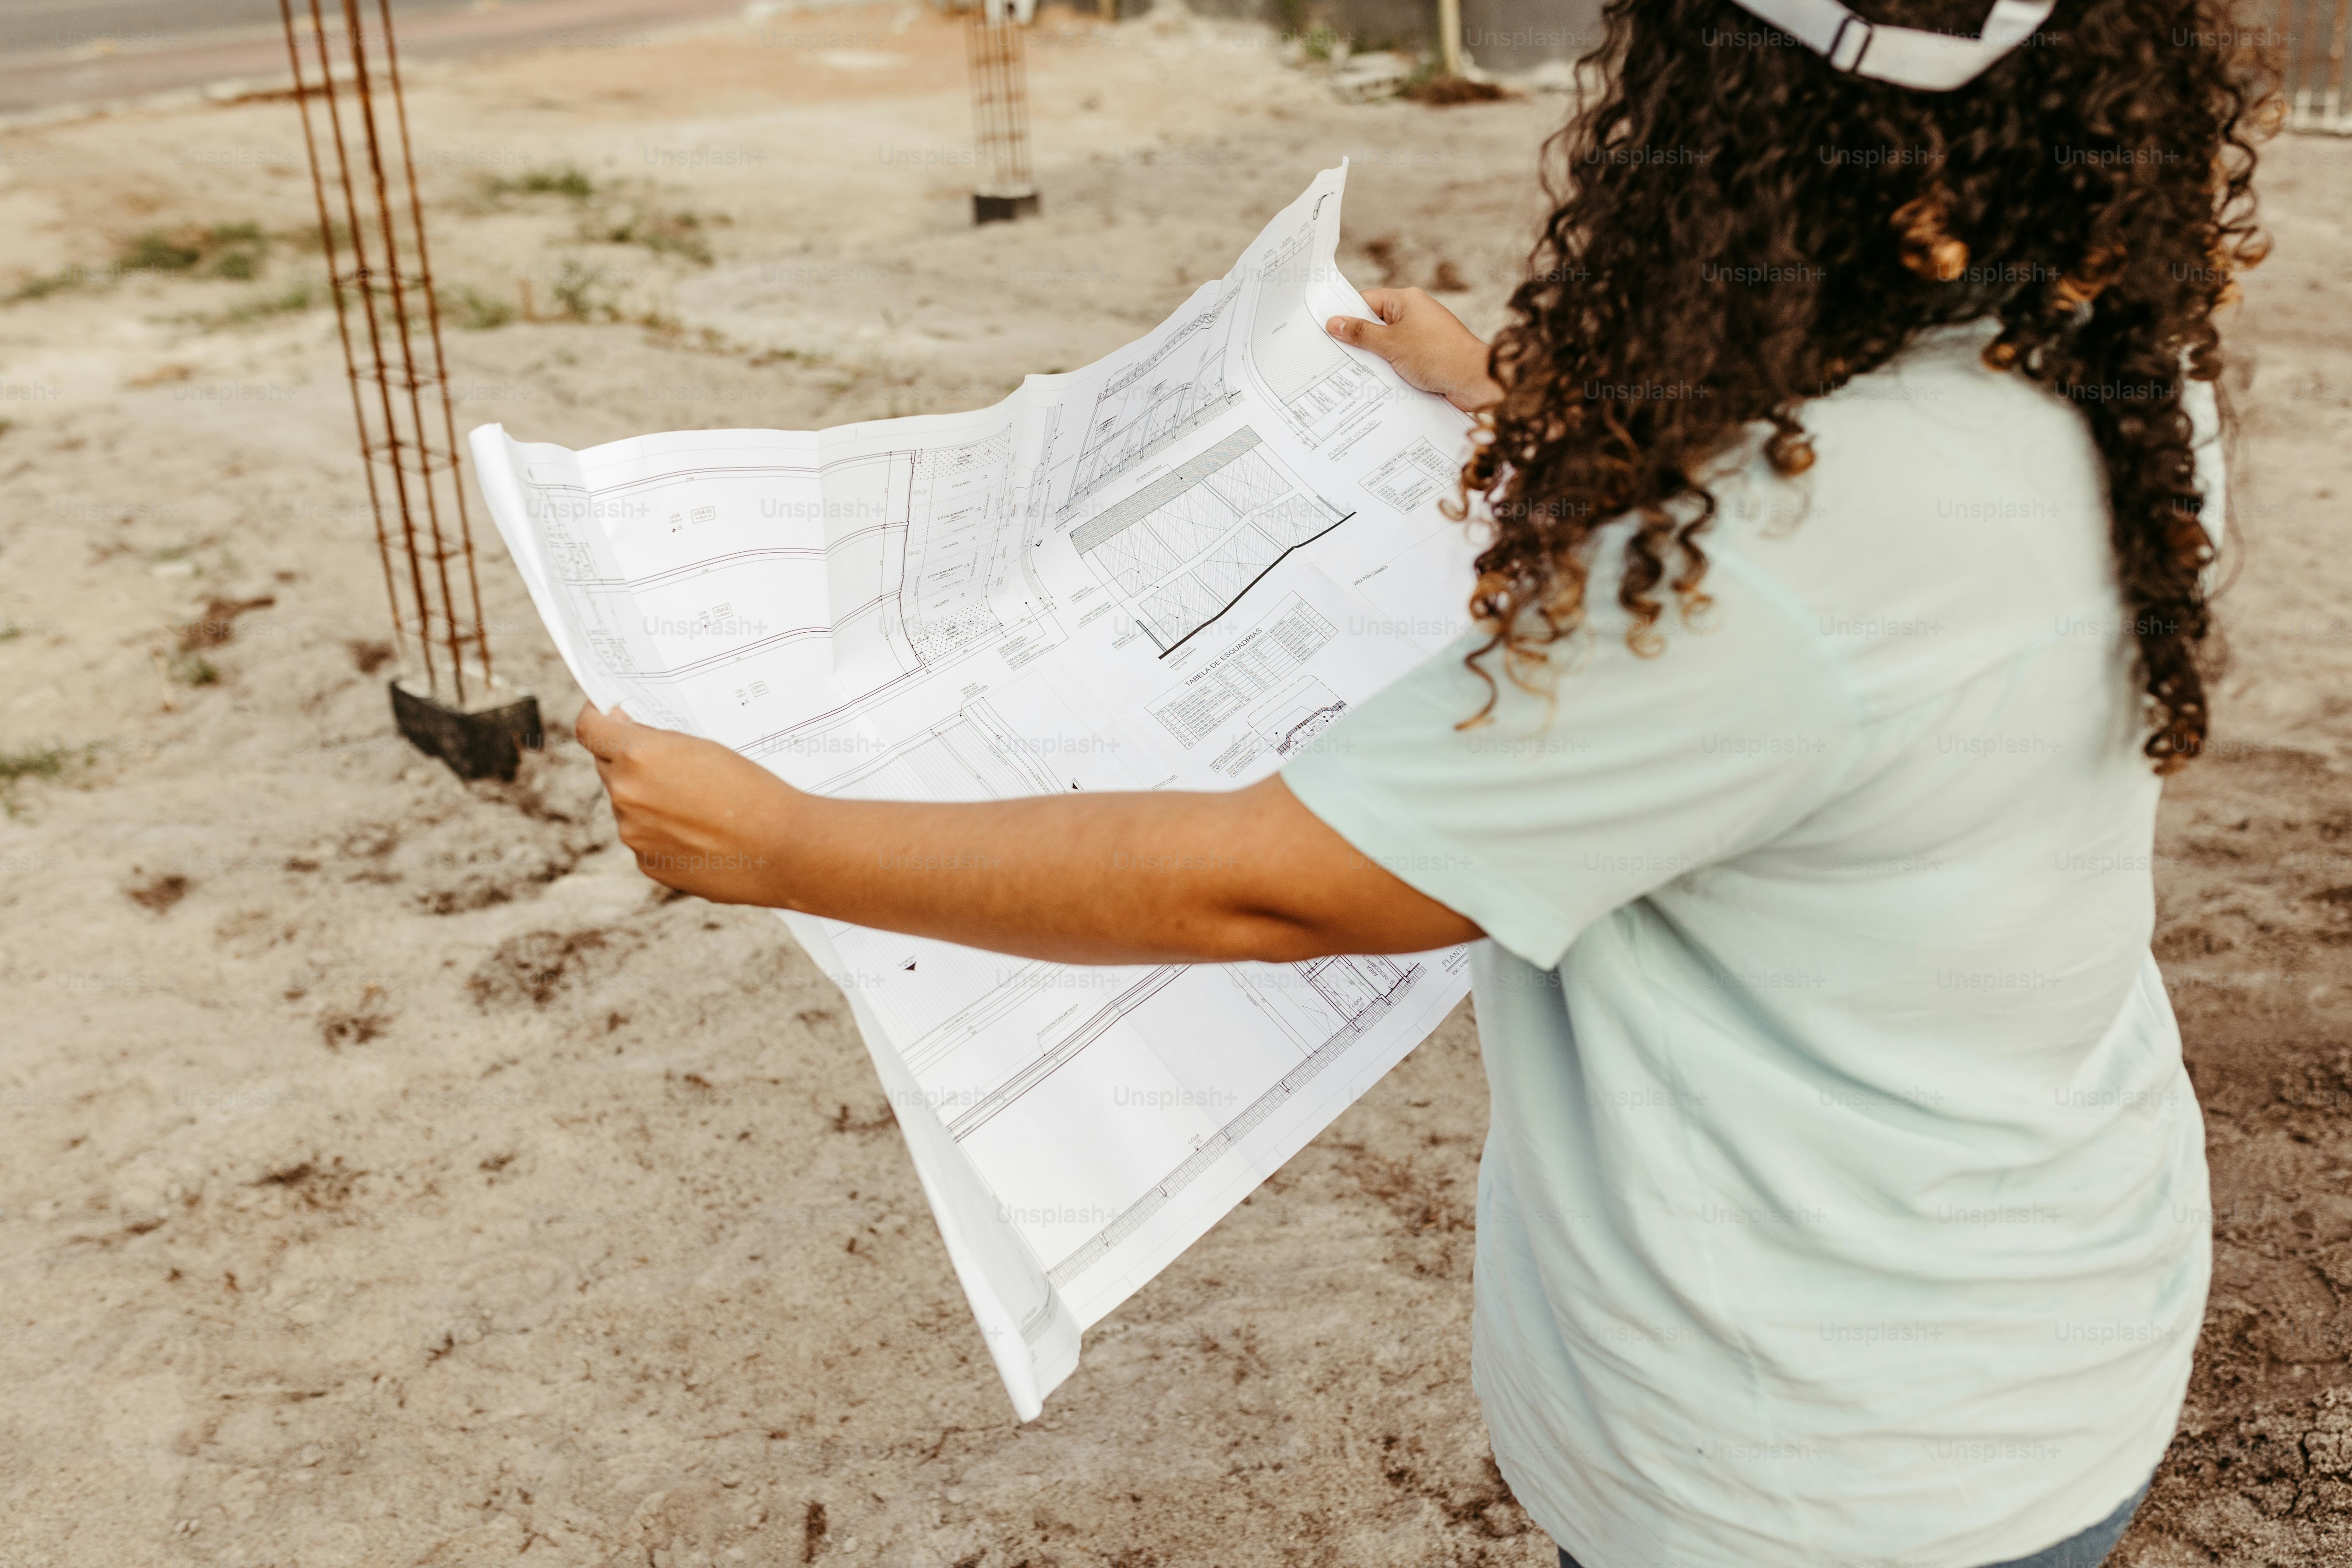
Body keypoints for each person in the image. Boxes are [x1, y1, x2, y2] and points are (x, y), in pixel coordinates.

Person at [571, 0, 2271, 1560]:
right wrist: (1514, 393)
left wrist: (787, 838)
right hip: (2032, 1318)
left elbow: (1273, 880)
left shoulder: (1776, 563)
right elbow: (1855, 584)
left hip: (1816, 1469)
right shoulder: (2101, 370)